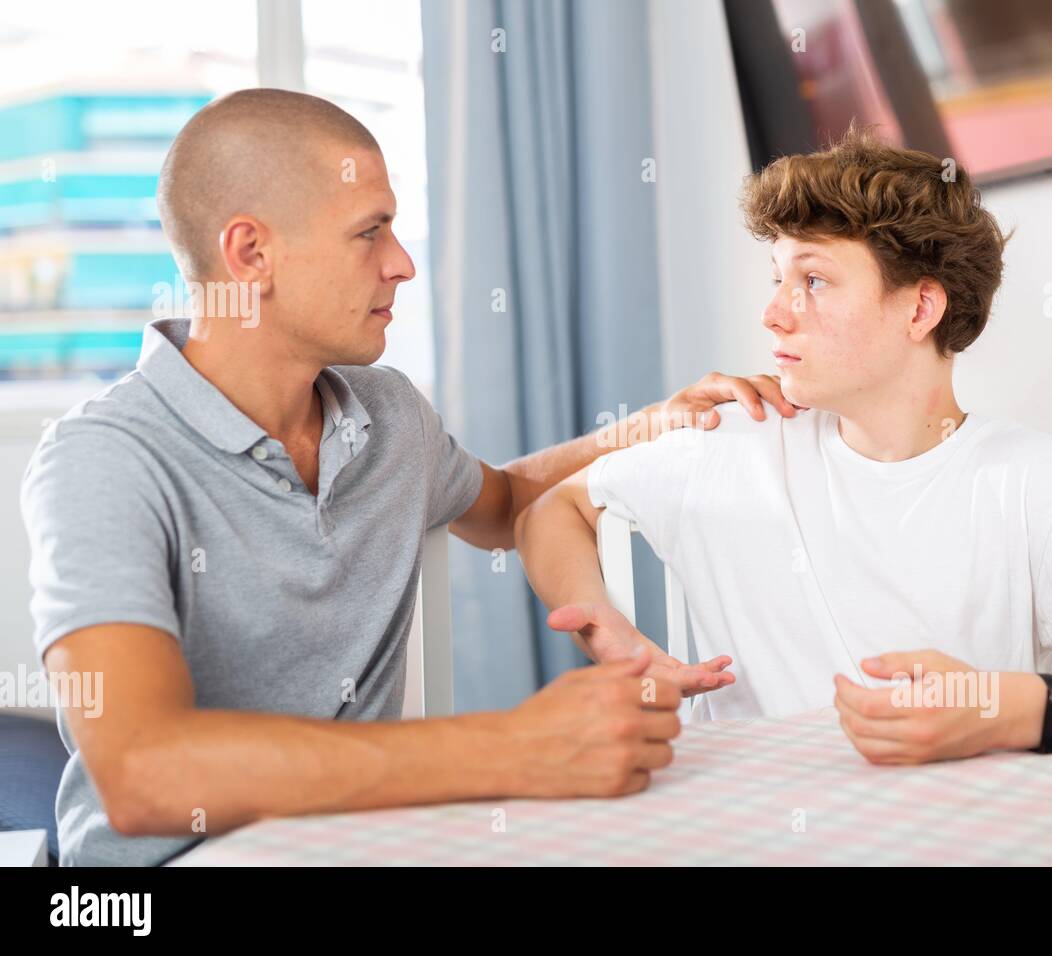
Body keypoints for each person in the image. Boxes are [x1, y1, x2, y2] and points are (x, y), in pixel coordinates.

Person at [20, 89, 781, 866]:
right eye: (368, 232)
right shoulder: (103, 461)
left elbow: (506, 502)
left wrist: (650, 423)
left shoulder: (386, 416)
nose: (403, 263)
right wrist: (514, 746)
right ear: (251, 254)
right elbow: (141, 773)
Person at [516, 130, 1052, 764]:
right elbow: (552, 509)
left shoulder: (1032, 483)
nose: (774, 316)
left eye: (813, 281)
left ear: (921, 305)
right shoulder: (734, 442)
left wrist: (1010, 710)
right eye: (776, 278)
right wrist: (610, 633)